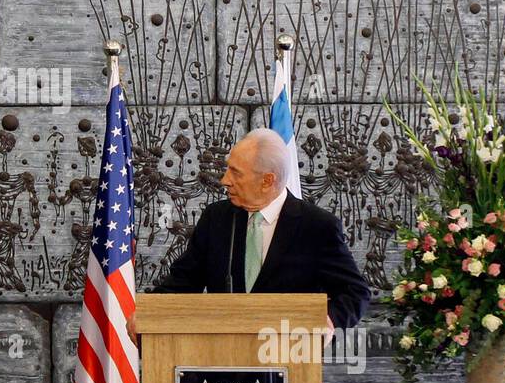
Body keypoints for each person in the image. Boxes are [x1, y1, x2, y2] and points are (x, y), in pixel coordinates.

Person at [126, 128, 369, 340]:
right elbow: (182, 282)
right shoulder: (217, 218)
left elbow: (355, 292)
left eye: (236, 173)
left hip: (286, 361)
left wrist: (328, 322)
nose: (224, 180)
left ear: (267, 180)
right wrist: (150, 313)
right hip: (218, 364)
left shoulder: (316, 226)